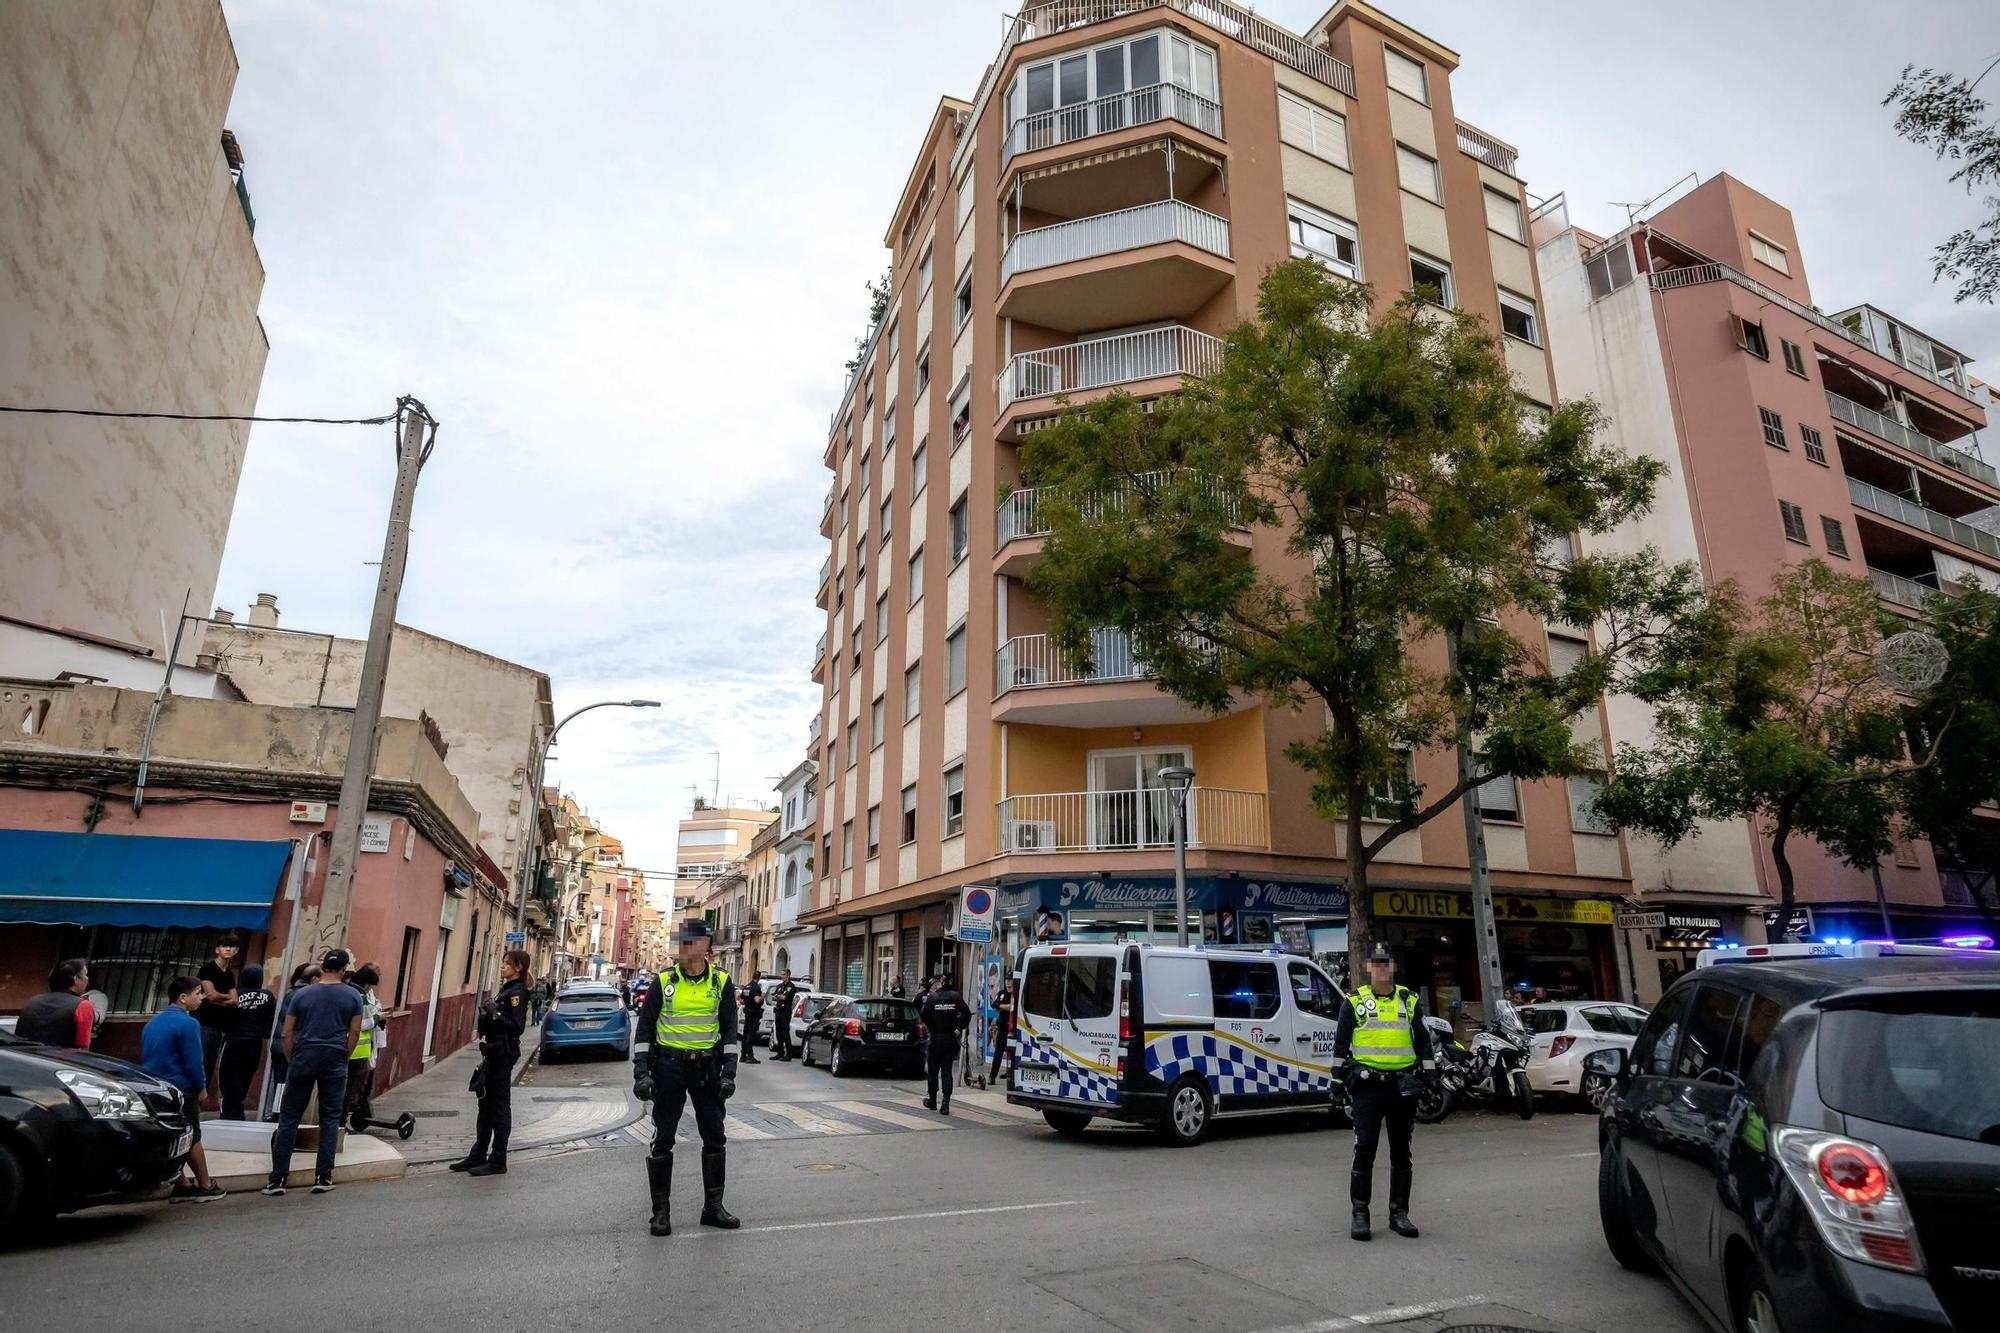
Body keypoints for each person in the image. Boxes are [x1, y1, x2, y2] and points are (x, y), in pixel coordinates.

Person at [632, 919, 739, 1237]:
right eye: (683, 941)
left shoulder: (721, 981)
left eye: (692, 941)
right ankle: (660, 1214)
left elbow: (730, 1029)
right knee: (663, 1138)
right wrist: (641, 1073)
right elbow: (645, 1029)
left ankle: (713, 1208)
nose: (685, 946)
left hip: (707, 1069)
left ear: (706, 945)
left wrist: (729, 1072)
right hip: (668, 1068)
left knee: (715, 1137)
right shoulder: (663, 981)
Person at [1330, 941, 1436, 1242]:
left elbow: (1423, 1042)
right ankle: (1360, 1214)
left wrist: (1430, 1076)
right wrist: (1336, 1082)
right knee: (1365, 1149)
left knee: (1402, 1152)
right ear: (1368, 968)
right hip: (1367, 1087)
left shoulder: (1409, 1000)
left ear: (1392, 967)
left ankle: (1399, 1213)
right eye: (1375, 963)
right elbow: (1340, 1046)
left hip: (1403, 1086)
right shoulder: (1354, 1002)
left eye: (1385, 963)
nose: (1380, 968)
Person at [263, 949, 363, 1197]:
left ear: (322, 968)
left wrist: (292, 1056)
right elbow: (354, 1033)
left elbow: (287, 1032)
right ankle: (323, 1176)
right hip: (334, 1058)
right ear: (343, 969)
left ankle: (277, 1180)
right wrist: (344, 1055)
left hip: (304, 1055)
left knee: (289, 1117)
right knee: (329, 1117)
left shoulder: (301, 995)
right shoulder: (353, 996)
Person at [140, 975, 224, 1201]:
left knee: (170, 1135)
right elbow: (194, 1061)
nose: (201, 998)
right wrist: (202, 1087)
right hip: (180, 1086)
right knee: (191, 1134)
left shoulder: (153, 1022)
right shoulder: (189, 1023)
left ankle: (182, 1182)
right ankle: (205, 1184)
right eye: (198, 993)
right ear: (183, 998)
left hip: (154, 1086)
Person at [450, 948, 531, 1177]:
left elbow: (517, 1026)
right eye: (503, 962)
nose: (502, 966)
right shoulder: (505, 990)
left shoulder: (517, 993)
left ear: (518, 968)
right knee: (484, 1105)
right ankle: (478, 1154)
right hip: (493, 1052)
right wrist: (485, 1016)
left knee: (499, 1107)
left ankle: (498, 1159)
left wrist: (494, 1014)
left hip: (503, 1053)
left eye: (507, 963)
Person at [218, 963, 274, 1120]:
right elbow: (270, 1019)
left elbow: (225, 1018)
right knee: (246, 1076)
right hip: (255, 1042)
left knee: (228, 1077)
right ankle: (237, 1107)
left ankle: (230, 1112)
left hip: (234, 1040)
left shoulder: (234, 995)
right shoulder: (268, 996)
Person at [196, 932, 243, 1109]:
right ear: (217, 949)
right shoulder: (207, 969)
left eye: (232, 946)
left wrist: (220, 999)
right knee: (201, 1063)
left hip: (218, 1026)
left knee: (209, 1065)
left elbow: (235, 1001)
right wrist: (224, 999)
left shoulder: (229, 975)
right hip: (204, 1023)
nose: (228, 949)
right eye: (225, 946)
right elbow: (211, 995)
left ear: (236, 950)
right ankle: (195, 1103)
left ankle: (199, 1104)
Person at [268, 963, 319, 1113]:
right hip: (290, 1046)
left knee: (281, 1083)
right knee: (284, 1084)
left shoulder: (291, 993)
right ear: (314, 979)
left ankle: (277, 1113)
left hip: (282, 1044)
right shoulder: (304, 996)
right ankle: (278, 1115)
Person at [15, 957, 96, 1049]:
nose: (87, 980)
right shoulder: (83, 1005)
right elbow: (83, 1046)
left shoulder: (33, 1001)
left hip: (26, 1058)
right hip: (62, 1061)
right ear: (76, 979)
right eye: (86, 975)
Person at [918, 973, 970, 1115]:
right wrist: (959, 1029)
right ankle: (945, 1103)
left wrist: (931, 1026)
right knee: (947, 1071)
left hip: (935, 1038)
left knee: (933, 1071)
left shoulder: (932, 998)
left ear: (940, 983)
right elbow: (967, 1014)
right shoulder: (955, 997)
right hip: (949, 1038)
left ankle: (933, 1101)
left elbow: (923, 1014)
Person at [344, 963, 384, 1127]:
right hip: (356, 1053)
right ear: (367, 984)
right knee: (350, 1090)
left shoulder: (344, 991)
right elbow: (365, 1023)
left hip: (340, 1048)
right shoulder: (361, 997)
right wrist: (377, 1018)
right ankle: (340, 1123)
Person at [988, 977, 1017, 1085]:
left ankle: (1010, 1073)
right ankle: (992, 1076)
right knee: (998, 1053)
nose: (1008, 983)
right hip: (1003, 1027)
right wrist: (1006, 1006)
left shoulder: (1017, 993)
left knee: (1014, 1052)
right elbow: (994, 1005)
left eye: (1010, 981)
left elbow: (1014, 1007)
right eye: (1007, 981)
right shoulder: (1002, 993)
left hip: (1014, 1028)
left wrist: (1002, 1006)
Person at [768, 973, 797, 1061]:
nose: (782, 976)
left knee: (785, 1032)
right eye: (781, 974)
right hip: (778, 1011)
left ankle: (788, 1054)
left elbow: (784, 997)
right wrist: (777, 996)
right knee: (778, 1032)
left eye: (784, 974)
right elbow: (773, 997)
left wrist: (778, 996)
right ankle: (780, 1053)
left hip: (785, 1012)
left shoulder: (791, 986)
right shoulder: (779, 986)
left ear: (788, 975)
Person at [739, 979, 763, 1064]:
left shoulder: (746, 987)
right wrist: (762, 996)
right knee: (750, 1035)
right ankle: (750, 1056)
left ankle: (742, 1056)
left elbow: (741, 1001)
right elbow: (757, 1000)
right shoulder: (756, 987)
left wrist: (747, 1002)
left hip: (747, 1013)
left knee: (745, 1035)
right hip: (754, 1014)